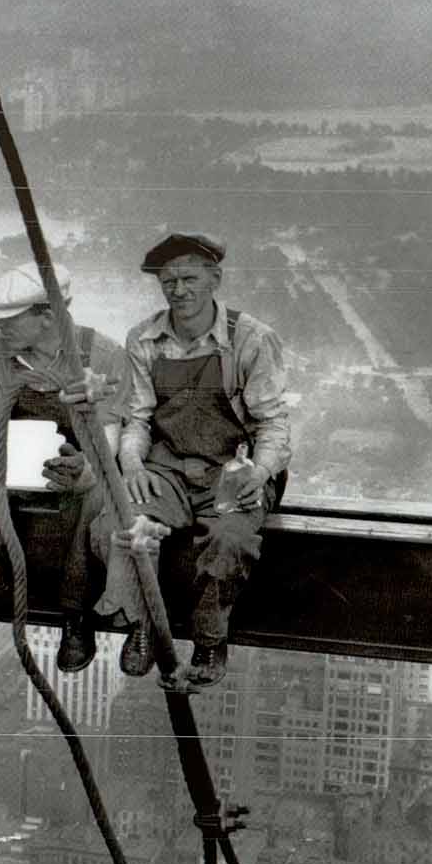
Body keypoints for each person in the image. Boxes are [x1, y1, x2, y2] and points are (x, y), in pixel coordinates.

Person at [109, 232, 292, 687]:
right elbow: (138, 418)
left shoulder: (250, 339)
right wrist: (132, 465)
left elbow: (273, 423)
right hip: (168, 465)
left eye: (189, 278)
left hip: (233, 467)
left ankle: (210, 638)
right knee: (133, 526)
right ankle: (144, 626)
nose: (179, 291)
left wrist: (263, 473)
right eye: (168, 282)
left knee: (230, 536)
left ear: (215, 279)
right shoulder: (145, 339)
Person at [0, 261, 128, 669]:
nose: (0, 330)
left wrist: (85, 469)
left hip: (78, 457)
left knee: (91, 498)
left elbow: (109, 436)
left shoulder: (102, 354)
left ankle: (75, 612)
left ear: (48, 315)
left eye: (9, 321)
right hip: (14, 452)